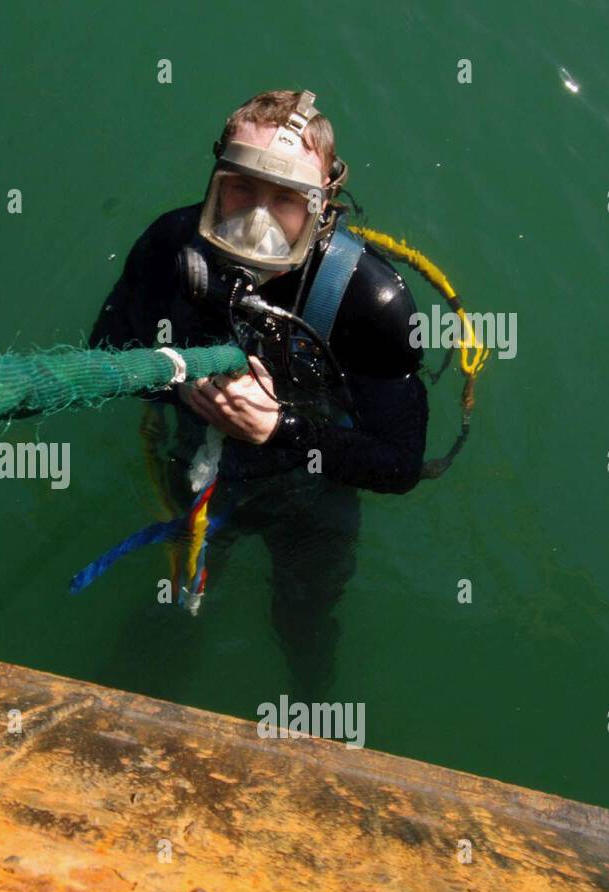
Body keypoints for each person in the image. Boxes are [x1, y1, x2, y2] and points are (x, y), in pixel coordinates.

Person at [88, 89, 428, 693]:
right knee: (180, 595)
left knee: (302, 619)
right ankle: (138, 703)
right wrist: (181, 382)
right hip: (200, 465)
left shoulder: (371, 302)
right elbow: (105, 347)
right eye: (242, 188)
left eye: (287, 199)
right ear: (217, 178)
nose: (257, 218)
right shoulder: (171, 245)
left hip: (311, 493)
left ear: (322, 207)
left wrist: (279, 429)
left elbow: (400, 463)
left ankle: (314, 725)